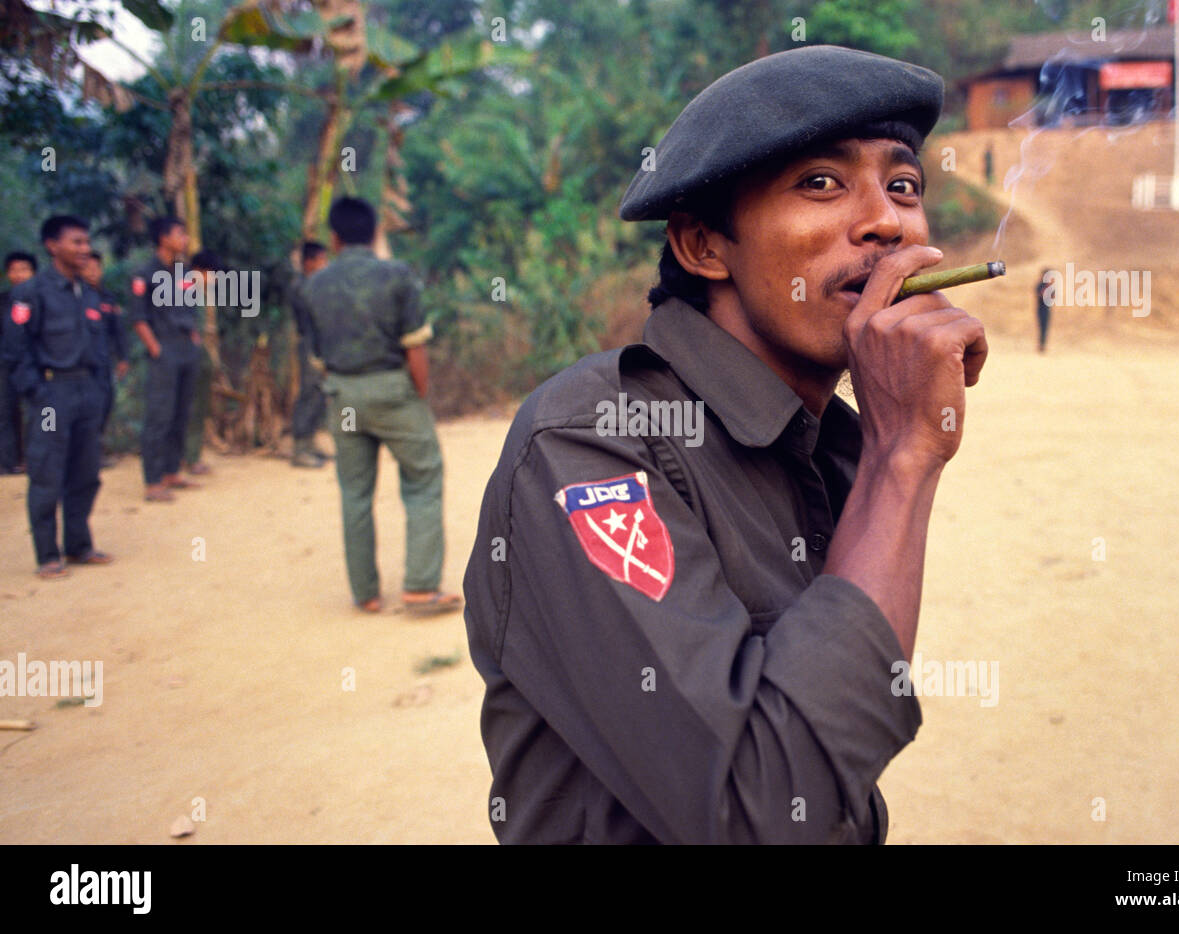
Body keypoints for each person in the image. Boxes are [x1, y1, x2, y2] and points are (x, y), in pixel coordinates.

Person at [462, 46, 988, 844]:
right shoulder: (591, 440)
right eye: (821, 182)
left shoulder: (826, 443)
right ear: (704, 246)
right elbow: (765, 813)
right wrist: (903, 457)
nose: (888, 219)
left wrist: (884, 449)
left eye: (904, 185)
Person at [301, 197, 461, 615]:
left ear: (333, 239)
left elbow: (317, 358)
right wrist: (417, 397)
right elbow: (416, 348)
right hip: (393, 391)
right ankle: (420, 587)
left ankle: (366, 593)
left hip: (342, 396)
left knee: (355, 493)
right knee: (424, 477)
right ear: (374, 234)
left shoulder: (313, 285)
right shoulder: (397, 275)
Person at [1, 217, 112, 578]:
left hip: (87, 391)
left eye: (86, 243)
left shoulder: (89, 292)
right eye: (76, 243)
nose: (84, 250)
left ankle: (79, 545)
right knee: (48, 471)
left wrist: (99, 390)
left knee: (86, 471)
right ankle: (48, 554)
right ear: (52, 246)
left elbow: (98, 346)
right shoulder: (30, 293)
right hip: (52, 394)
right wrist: (38, 392)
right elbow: (15, 353)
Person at [130, 216, 200, 502]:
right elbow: (137, 317)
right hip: (164, 348)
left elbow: (191, 307)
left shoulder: (184, 271)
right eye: (179, 234)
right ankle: (153, 480)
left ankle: (173, 470)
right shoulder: (144, 273)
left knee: (181, 412)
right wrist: (156, 348)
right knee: (159, 415)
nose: (184, 239)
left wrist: (194, 338)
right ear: (163, 238)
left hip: (187, 348)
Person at [82, 251, 130, 462]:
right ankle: (80, 456)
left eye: (96, 268)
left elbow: (118, 331)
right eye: (87, 267)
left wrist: (123, 357)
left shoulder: (108, 298)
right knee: (84, 409)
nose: (92, 272)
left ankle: (95, 452)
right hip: (79, 364)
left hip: (103, 361)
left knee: (105, 403)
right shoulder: (75, 296)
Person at [182, 249, 224, 476]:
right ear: (200, 271)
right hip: (188, 356)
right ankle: (186, 457)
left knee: (198, 408)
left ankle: (191, 455)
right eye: (212, 273)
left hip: (201, 356)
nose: (215, 279)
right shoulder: (185, 290)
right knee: (191, 407)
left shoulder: (203, 293)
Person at [289, 240, 330, 468]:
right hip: (310, 345)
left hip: (320, 344)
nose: (325, 264)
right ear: (309, 262)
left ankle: (310, 442)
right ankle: (300, 447)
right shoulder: (301, 287)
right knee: (309, 394)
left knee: (319, 395)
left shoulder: (313, 285)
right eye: (321, 260)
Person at [1, 250, 38, 474]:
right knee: (5, 412)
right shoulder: (3, 301)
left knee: (40, 412)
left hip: (35, 363)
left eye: (24, 269)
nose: (19, 275)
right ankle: (8, 461)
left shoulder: (43, 299)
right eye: (14, 270)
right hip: (5, 364)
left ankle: (35, 459)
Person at [1036, 266, 1052, 353]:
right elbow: (1040, 295)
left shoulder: (1050, 286)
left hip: (1047, 309)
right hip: (1040, 309)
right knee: (1041, 327)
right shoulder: (1040, 285)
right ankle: (1040, 345)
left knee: (1045, 328)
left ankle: (1043, 345)